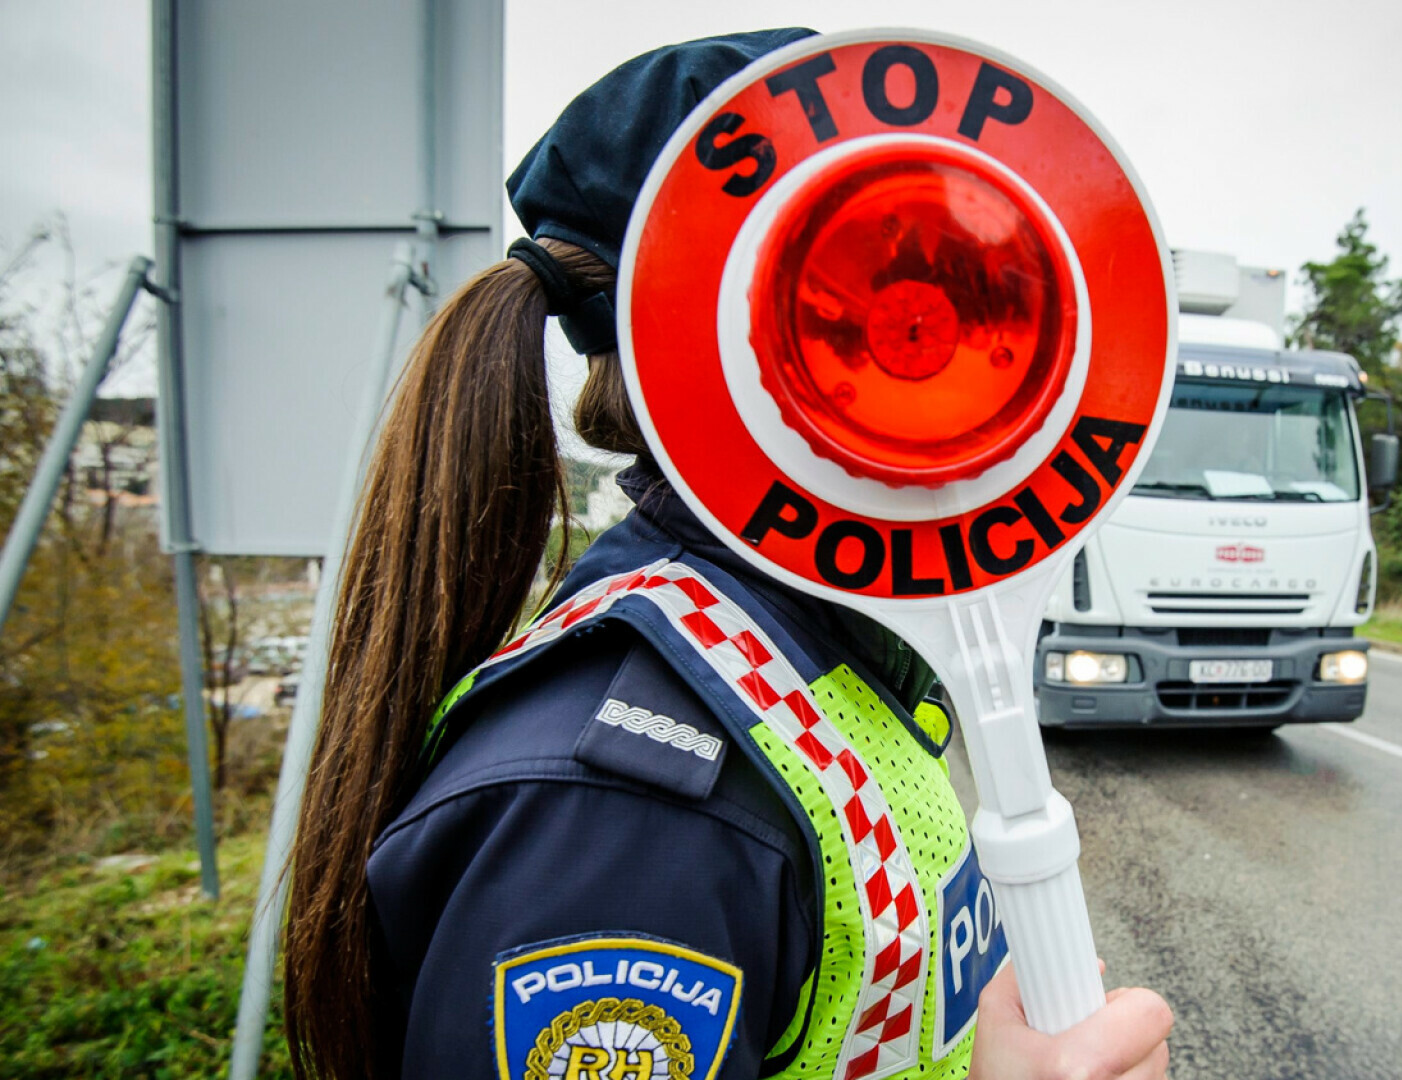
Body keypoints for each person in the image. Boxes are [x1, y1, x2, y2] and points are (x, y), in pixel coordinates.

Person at [281, 28, 1173, 1080]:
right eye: (879, 299)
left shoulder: (815, 656)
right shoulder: (627, 817)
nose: (960, 349)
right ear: (767, 345)